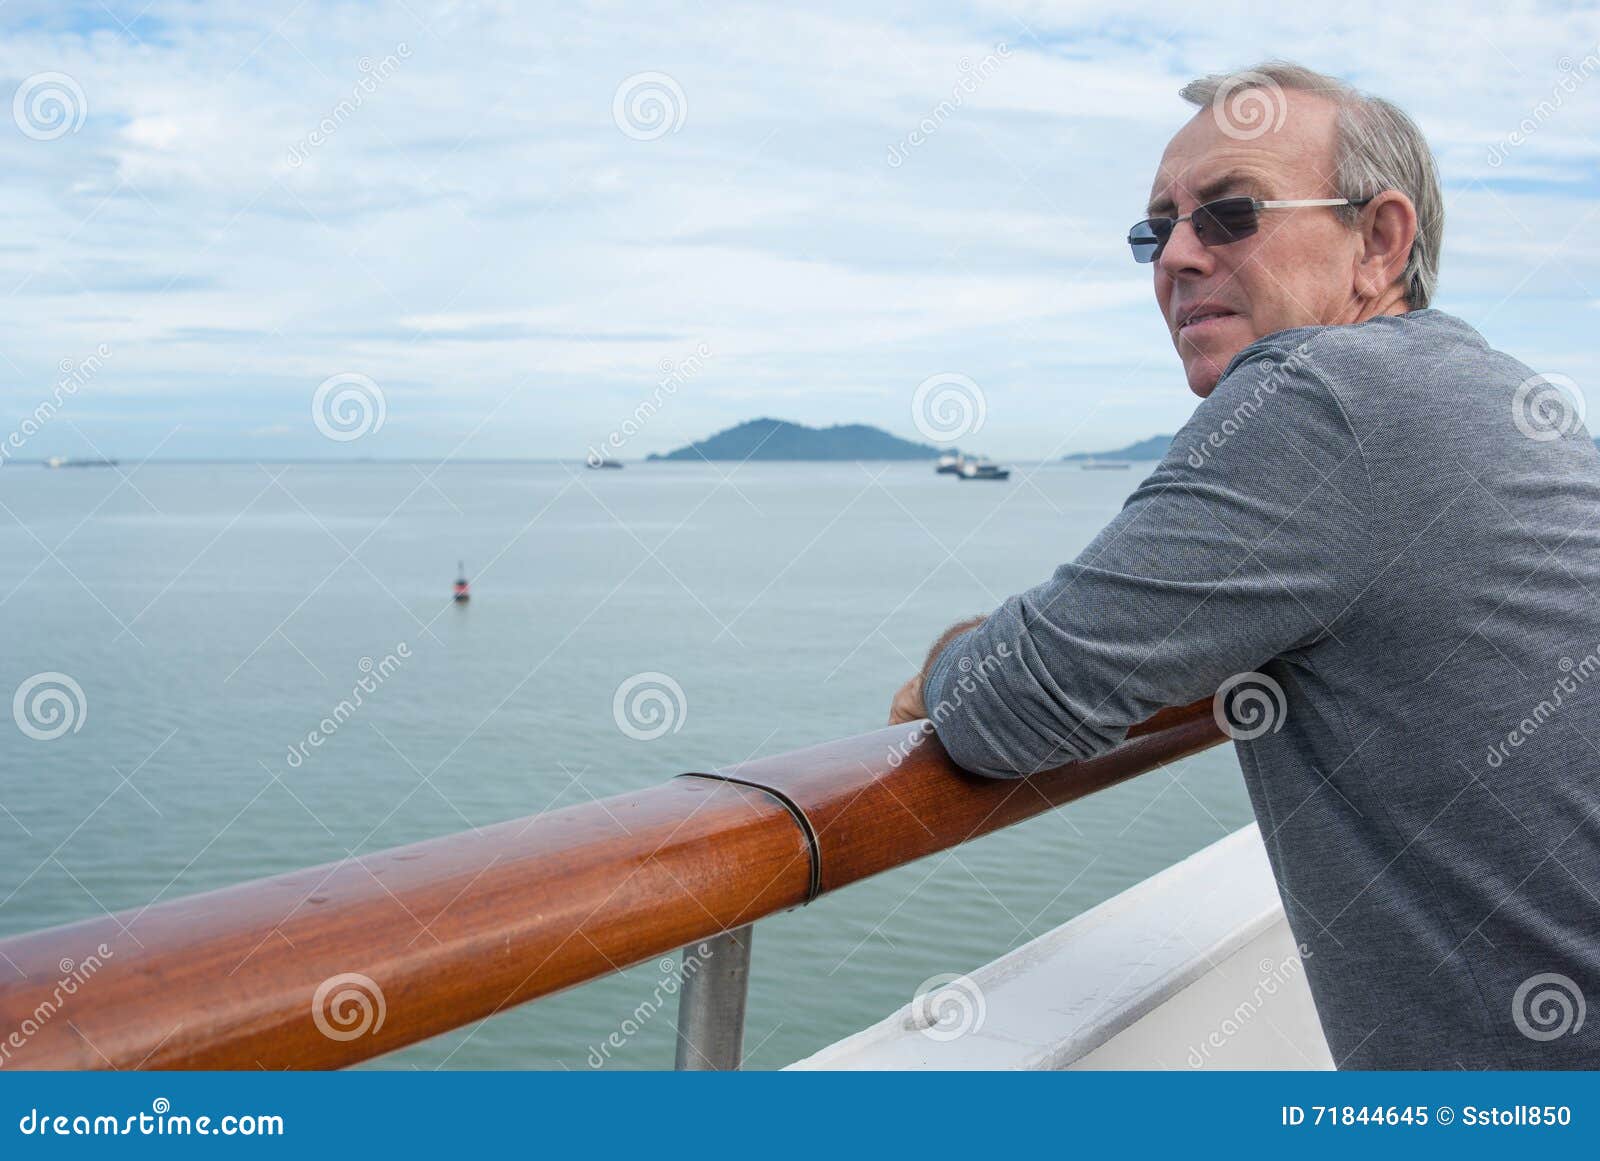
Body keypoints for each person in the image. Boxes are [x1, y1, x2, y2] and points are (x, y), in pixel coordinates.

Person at [888, 61, 1600, 1069]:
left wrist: (944, 662)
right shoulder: (1500, 394)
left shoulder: (1318, 394)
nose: (1175, 256)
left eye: (1228, 214)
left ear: (1379, 241)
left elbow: (1017, 700)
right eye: (1154, 230)